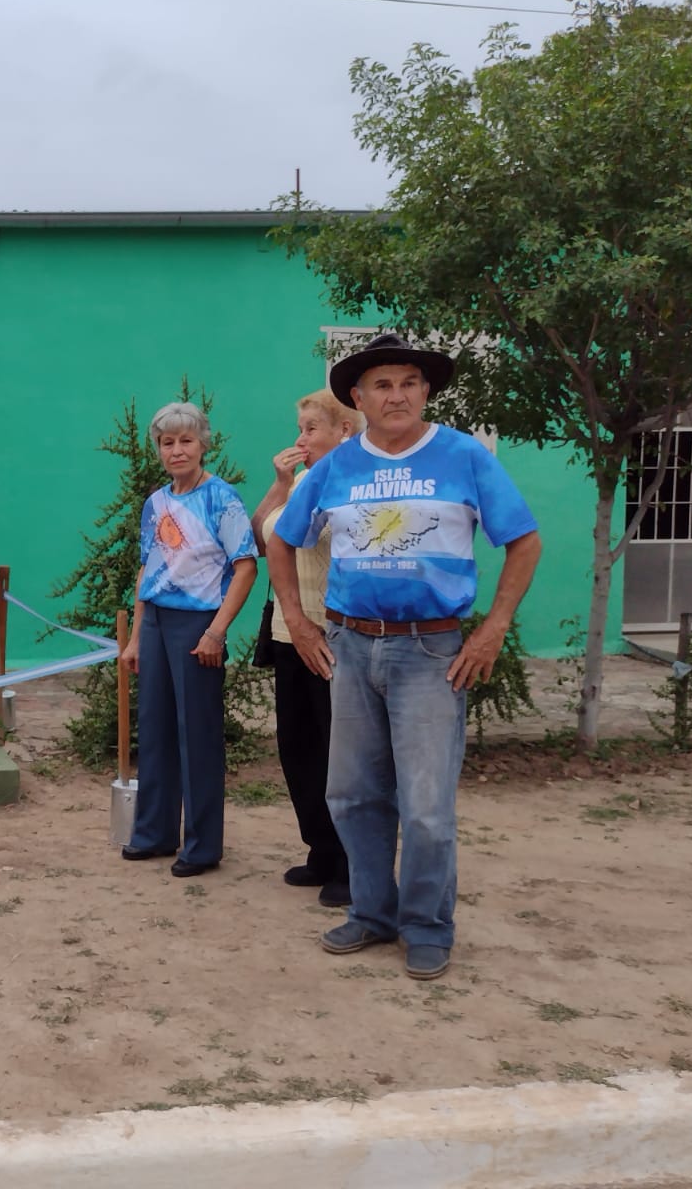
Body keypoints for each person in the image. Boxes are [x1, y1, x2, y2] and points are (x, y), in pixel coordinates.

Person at [270, 333, 541, 981]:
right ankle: (372, 912)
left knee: (424, 804)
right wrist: (301, 624)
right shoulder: (336, 467)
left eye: (409, 383)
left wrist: (493, 627)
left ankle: (426, 925)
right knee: (353, 795)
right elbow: (282, 540)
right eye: (382, 385)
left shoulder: (462, 456)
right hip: (350, 646)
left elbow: (523, 540)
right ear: (358, 398)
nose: (396, 395)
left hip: (432, 651)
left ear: (426, 392)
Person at [118, 402, 258, 877]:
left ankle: (201, 846)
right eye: (167, 442)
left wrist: (217, 631)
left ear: (203, 444)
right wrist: (137, 637)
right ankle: (154, 832)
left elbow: (245, 567)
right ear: (158, 449)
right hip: (156, 622)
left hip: (199, 625)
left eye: (186, 440)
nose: (177, 450)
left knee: (196, 735)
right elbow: (148, 569)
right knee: (155, 731)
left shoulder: (223, 499)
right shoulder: (155, 503)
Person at [250, 390, 364, 909]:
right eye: (300, 428)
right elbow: (261, 533)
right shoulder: (299, 480)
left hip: (330, 635)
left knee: (339, 753)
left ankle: (350, 862)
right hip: (286, 631)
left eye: (311, 428)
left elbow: (310, 539)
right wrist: (279, 485)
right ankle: (320, 849)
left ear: (343, 430)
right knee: (297, 747)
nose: (300, 438)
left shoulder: (350, 480)